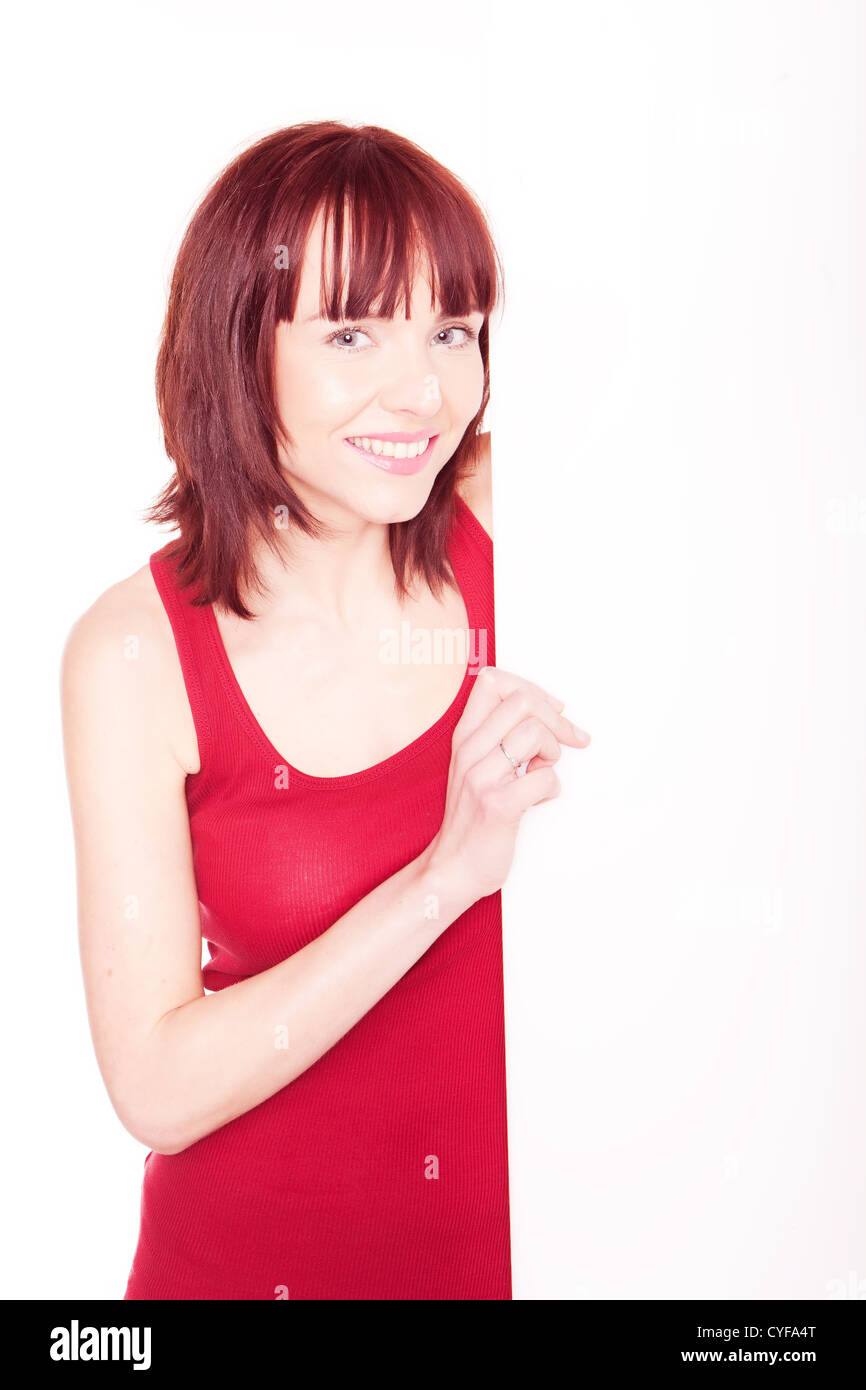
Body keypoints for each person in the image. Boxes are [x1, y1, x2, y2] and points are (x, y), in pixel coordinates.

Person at [60, 120, 591, 1300]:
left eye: (452, 329)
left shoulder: (531, 513)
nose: (426, 388)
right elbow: (154, 1082)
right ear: (238, 345)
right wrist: (445, 876)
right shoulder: (136, 651)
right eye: (352, 330)